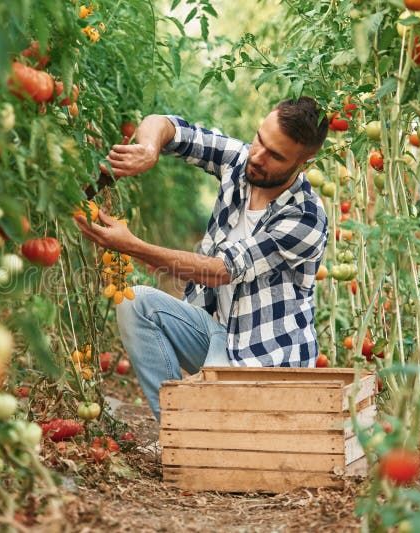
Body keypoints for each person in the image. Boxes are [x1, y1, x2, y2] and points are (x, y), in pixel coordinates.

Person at [74, 96, 329, 420]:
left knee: (215, 425)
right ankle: (173, 431)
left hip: (266, 361)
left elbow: (220, 271)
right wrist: (149, 150)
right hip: (219, 336)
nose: (257, 156)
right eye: (259, 139)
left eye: (275, 155)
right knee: (135, 303)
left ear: (304, 163)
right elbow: (169, 126)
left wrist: (131, 245)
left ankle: (209, 427)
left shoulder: (305, 216)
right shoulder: (240, 162)